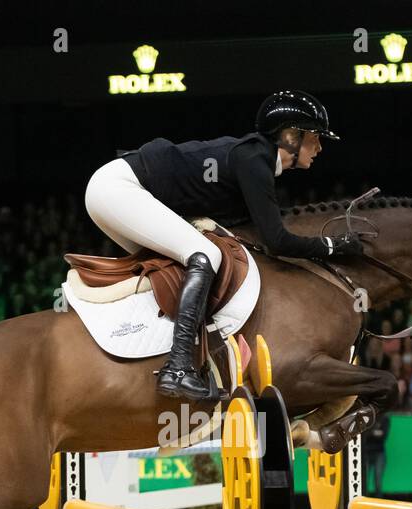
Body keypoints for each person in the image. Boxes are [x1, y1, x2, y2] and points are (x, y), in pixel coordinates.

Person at [84, 90, 362, 401]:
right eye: (315, 137)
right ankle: (177, 369)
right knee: (204, 255)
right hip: (119, 189)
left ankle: (151, 353)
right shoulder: (255, 160)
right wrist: (331, 246)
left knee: (181, 265)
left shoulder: (256, 160)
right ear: (289, 136)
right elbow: (277, 241)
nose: (321, 146)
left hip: (118, 190)